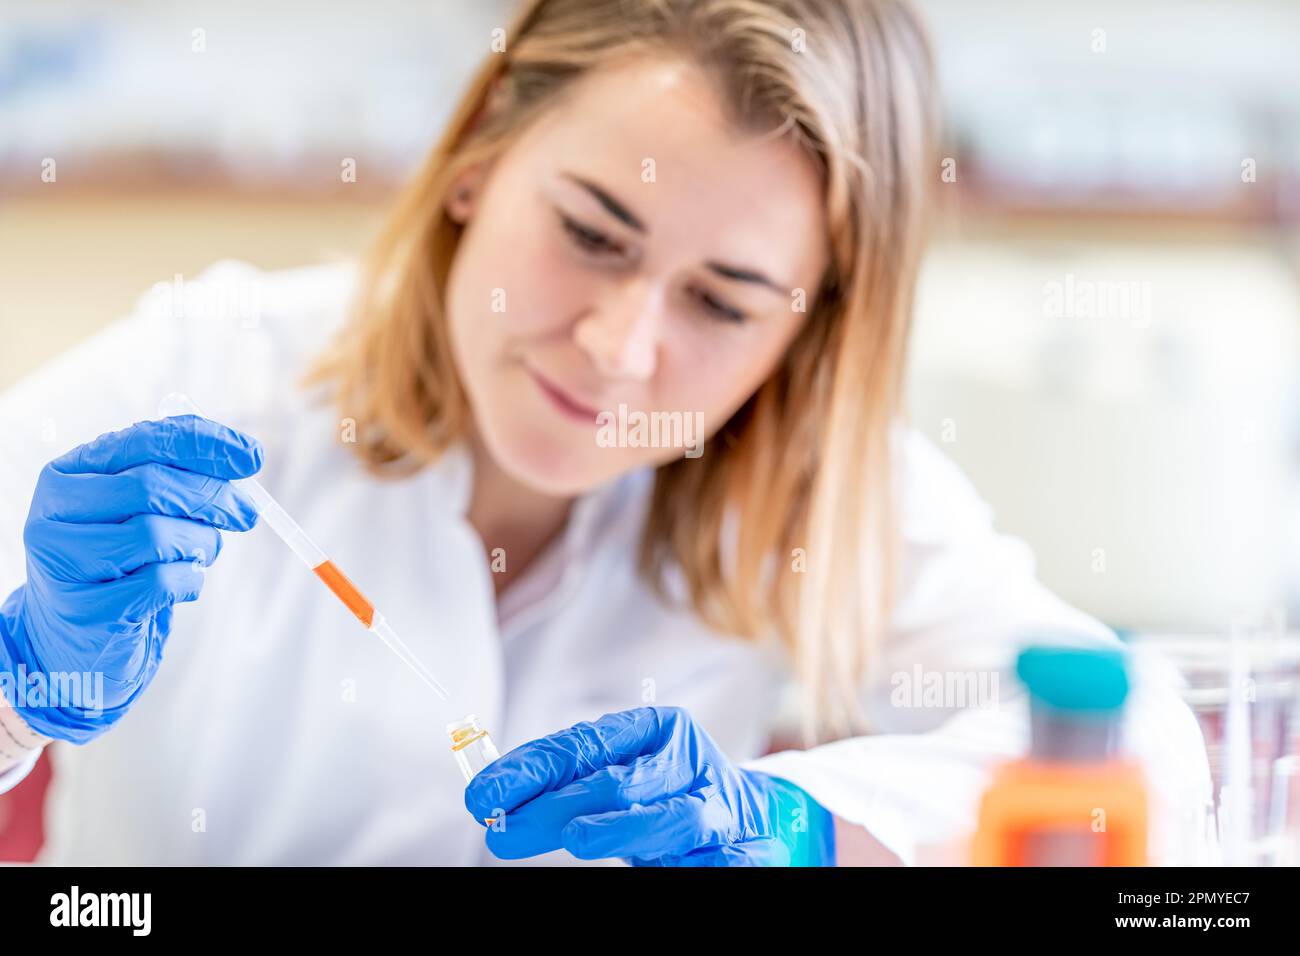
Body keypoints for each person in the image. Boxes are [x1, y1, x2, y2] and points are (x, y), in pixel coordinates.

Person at [0, 0, 1210, 865]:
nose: (619, 348)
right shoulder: (207, 377)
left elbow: (1143, 752)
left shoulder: (807, 482)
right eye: (589, 232)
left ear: (806, 330)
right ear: (477, 160)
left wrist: (789, 825)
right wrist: (27, 670)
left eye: (723, 301)